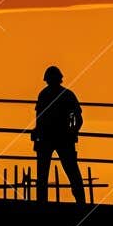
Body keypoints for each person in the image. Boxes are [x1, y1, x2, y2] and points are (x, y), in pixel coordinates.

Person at [33, 65, 85, 204]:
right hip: (60, 138)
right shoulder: (67, 95)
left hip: (51, 138)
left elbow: (39, 119)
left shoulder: (44, 95)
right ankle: (81, 202)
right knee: (71, 172)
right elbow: (79, 120)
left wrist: (37, 133)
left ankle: (42, 203)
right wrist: (72, 132)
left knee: (45, 175)